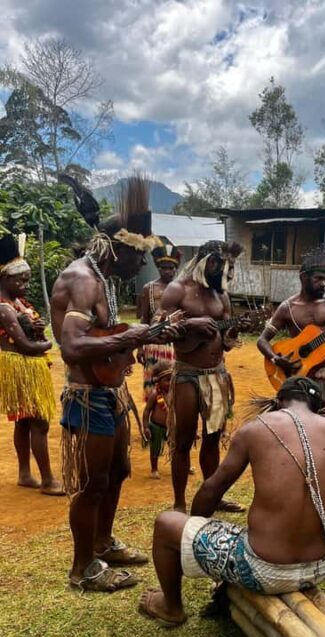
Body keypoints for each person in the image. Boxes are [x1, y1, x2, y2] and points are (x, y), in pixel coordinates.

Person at [51, 175, 182, 592]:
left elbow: (106, 336)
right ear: (117, 248)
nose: (138, 265)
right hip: (87, 397)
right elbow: (72, 346)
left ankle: (103, 543)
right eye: (136, 256)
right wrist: (135, 336)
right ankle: (82, 567)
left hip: (109, 392)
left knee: (119, 470)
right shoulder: (84, 280)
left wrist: (152, 330)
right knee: (93, 483)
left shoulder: (102, 280)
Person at [139, 377, 325, 627]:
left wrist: (197, 525)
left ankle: (171, 608)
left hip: (263, 570)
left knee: (166, 523)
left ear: (279, 402)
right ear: (315, 406)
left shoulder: (257, 428)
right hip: (320, 567)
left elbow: (211, 490)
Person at [160, 240, 245, 513]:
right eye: (215, 262)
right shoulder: (178, 289)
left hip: (217, 375)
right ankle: (179, 503)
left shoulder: (222, 295)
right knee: (183, 441)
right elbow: (158, 325)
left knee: (212, 439)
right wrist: (191, 323)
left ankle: (212, 495)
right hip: (187, 375)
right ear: (201, 261)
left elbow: (227, 338)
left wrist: (233, 333)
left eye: (224, 264)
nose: (219, 268)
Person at [0, 234, 63, 495]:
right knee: (39, 422)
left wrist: (37, 331)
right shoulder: (3, 308)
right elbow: (25, 345)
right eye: (20, 280)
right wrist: (47, 344)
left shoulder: (18, 304)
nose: (25, 284)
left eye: (27, 279)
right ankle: (47, 480)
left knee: (24, 422)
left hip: (27, 367)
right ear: (4, 279)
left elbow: (31, 335)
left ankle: (25, 474)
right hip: (22, 366)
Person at [257, 244, 325, 417]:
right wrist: (275, 359)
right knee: (295, 422)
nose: (323, 284)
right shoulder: (287, 308)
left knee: (321, 424)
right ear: (304, 277)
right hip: (297, 375)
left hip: (323, 375)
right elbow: (262, 340)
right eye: (318, 279)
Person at [138, 238, 180, 400]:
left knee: (173, 382)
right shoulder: (149, 288)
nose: (167, 271)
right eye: (163, 268)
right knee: (153, 383)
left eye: (171, 268)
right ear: (158, 268)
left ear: (176, 269)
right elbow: (145, 318)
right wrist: (140, 348)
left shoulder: (180, 289)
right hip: (153, 344)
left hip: (173, 344)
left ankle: (173, 418)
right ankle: (153, 417)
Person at [143, 361, 172, 479]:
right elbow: (146, 412)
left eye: (172, 379)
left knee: (177, 447)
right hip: (157, 427)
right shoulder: (155, 394)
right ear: (158, 381)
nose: (170, 383)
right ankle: (154, 469)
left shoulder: (175, 393)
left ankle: (182, 465)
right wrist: (145, 427)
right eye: (167, 380)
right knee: (155, 449)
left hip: (172, 426)